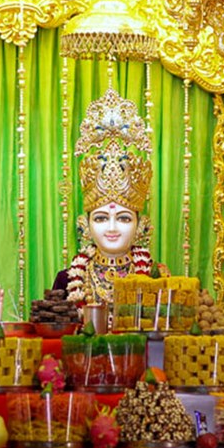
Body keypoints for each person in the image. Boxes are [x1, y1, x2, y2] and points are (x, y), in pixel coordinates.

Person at [52, 87, 162, 306]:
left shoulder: (155, 277)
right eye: (101, 218)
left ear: (141, 225)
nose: (112, 228)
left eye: (124, 218)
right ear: (85, 225)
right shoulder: (67, 279)